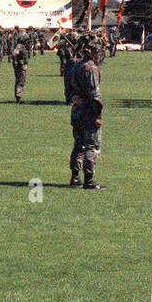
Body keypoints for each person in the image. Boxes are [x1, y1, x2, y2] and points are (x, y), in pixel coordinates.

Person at [67, 35, 103, 189]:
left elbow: (70, 91)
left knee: (78, 145)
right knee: (92, 145)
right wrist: (97, 115)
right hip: (89, 112)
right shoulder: (91, 68)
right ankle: (89, 180)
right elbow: (95, 95)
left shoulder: (76, 66)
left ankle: (75, 177)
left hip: (77, 111)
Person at [10, 33, 28, 103]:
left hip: (21, 65)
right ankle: (18, 97)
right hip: (20, 66)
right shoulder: (20, 46)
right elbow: (14, 53)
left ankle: (18, 96)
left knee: (20, 80)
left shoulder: (21, 46)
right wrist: (16, 61)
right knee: (20, 81)